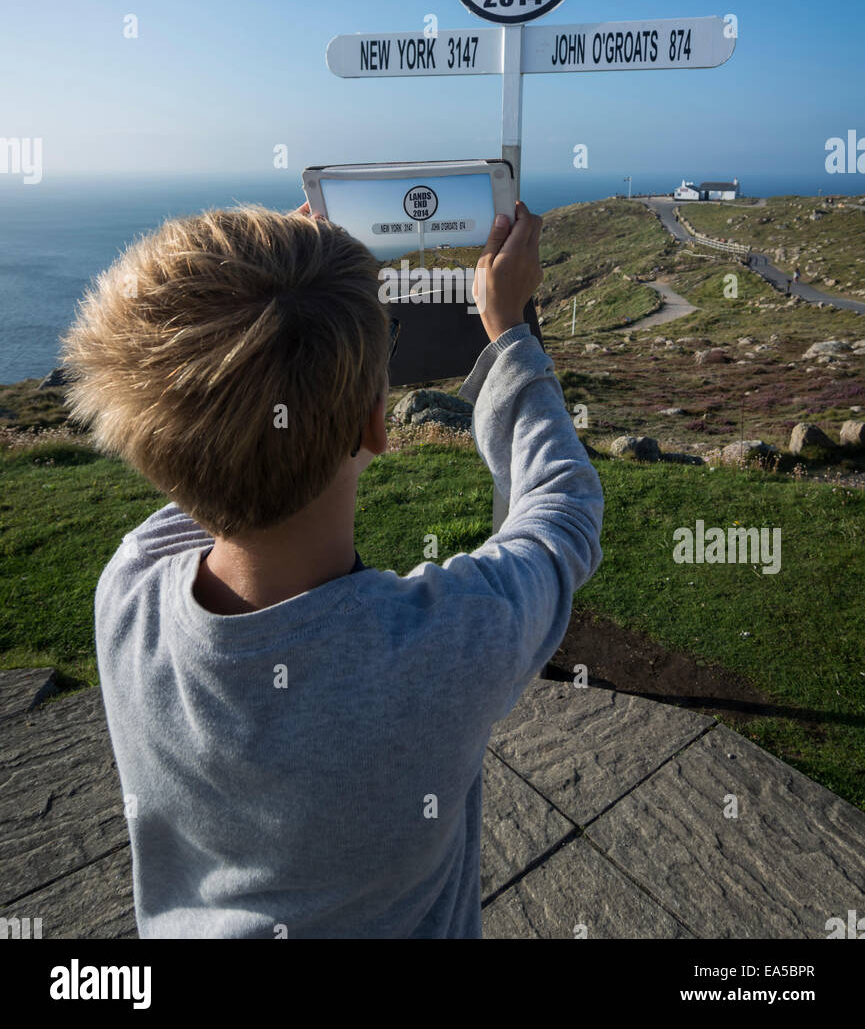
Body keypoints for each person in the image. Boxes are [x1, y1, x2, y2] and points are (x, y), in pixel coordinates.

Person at [62, 197, 604, 939]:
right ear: (377, 424)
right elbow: (562, 513)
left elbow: (205, 453)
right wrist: (507, 327)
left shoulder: (126, 590)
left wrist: (274, 283)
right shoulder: (445, 646)